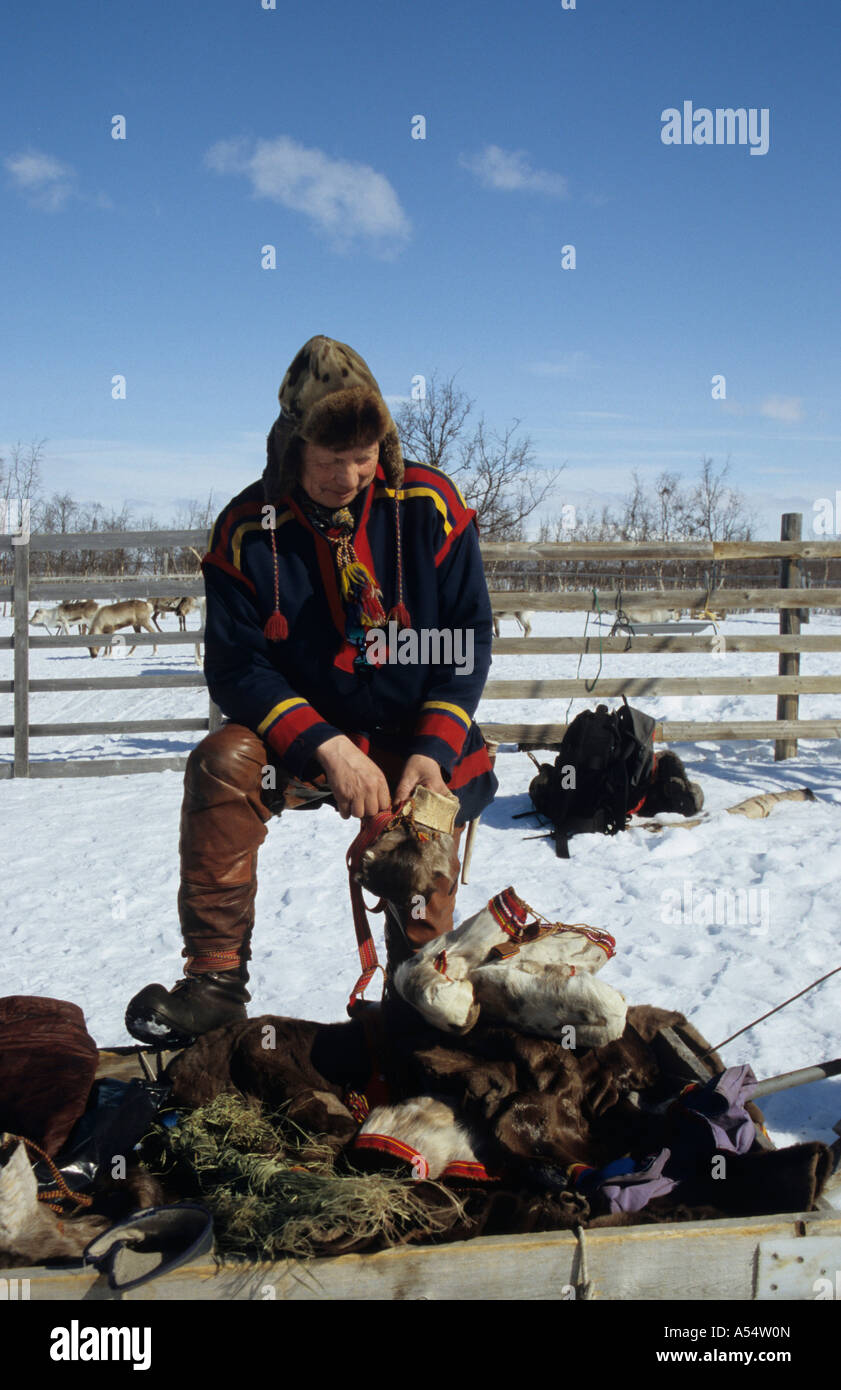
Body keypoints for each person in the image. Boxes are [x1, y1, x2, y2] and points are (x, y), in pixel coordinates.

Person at [125, 335, 498, 1045]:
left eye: (364, 456)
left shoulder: (429, 504)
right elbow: (236, 666)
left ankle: (415, 994)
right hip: (302, 739)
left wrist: (433, 748)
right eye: (331, 459)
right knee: (222, 761)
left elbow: (467, 637)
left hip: (413, 732)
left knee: (424, 820)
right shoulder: (246, 528)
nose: (349, 475)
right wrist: (323, 746)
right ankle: (214, 984)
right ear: (293, 446)